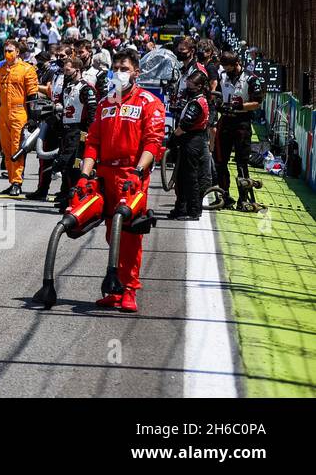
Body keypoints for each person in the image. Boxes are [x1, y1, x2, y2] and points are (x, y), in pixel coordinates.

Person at [78, 47, 165, 313]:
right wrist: (84, 175)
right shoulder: (105, 103)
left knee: (129, 234)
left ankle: (130, 290)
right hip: (105, 175)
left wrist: (139, 172)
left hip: (132, 176)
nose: (119, 73)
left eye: (124, 69)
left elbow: (153, 142)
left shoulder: (149, 102)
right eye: (116, 68)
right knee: (111, 232)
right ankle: (115, 287)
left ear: (136, 72)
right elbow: (93, 142)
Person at [26, 55, 95, 204]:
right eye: (64, 70)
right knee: (66, 166)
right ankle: (67, 197)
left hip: (79, 132)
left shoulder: (86, 88)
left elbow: (92, 113)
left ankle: (74, 199)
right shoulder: (67, 87)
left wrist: (89, 134)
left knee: (73, 166)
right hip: (66, 130)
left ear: (77, 70)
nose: (65, 73)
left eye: (68, 70)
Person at [213, 50, 262, 208]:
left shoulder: (251, 78)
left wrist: (240, 106)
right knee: (220, 161)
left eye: (228, 67)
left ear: (236, 64)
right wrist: (218, 104)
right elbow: (218, 95)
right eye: (224, 67)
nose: (226, 70)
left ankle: (244, 199)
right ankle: (224, 197)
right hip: (225, 121)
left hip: (242, 123)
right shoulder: (222, 76)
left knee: (242, 162)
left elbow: (257, 103)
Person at [0, 39, 38, 196]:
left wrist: (33, 118)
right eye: (5, 50)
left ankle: (17, 182)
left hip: (19, 113)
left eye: (10, 50)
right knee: (6, 150)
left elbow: (32, 95)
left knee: (16, 149)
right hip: (3, 113)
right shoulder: (0, 70)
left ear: (18, 52)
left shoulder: (27, 69)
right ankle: (11, 180)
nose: (7, 53)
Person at [169, 68, 211, 221]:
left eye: (191, 82)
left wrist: (173, 137)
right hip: (192, 140)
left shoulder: (197, 103)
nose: (187, 84)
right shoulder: (195, 100)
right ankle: (181, 208)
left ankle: (193, 211)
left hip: (193, 141)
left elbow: (186, 124)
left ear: (198, 86)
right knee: (181, 176)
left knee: (190, 177)